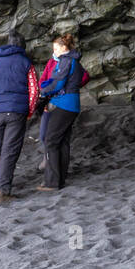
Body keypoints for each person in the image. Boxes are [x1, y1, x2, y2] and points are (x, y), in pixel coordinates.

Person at [0, 29, 39, 204]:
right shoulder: (26, 63)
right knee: (9, 151)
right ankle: (1, 192)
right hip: (17, 112)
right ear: (22, 45)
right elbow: (34, 91)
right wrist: (29, 111)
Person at [36, 33, 83, 191]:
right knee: (62, 141)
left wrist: (42, 92)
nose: (54, 52)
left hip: (63, 105)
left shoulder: (65, 61)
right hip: (72, 104)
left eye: (56, 48)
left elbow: (57, 83)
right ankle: (60, 179)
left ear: (64, 48)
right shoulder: (75, 61)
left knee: (51, 141)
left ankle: (52, 182)